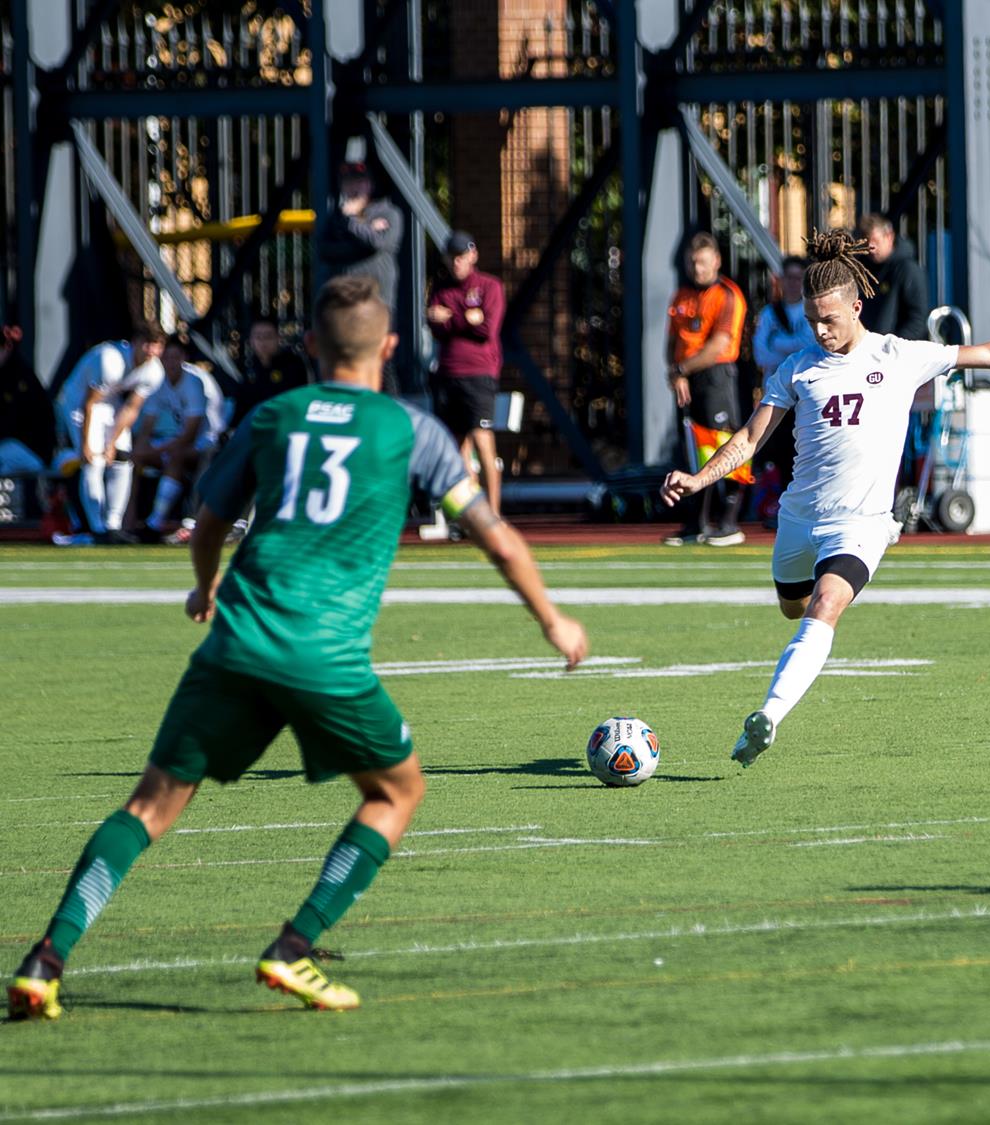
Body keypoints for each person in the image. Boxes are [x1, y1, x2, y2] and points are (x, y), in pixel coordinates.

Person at [6, 276, 589, 1021]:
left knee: (149, 806)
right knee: (398, 791)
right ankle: (294, 945)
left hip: (238, 640)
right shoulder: (411, 430)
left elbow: (211, 516)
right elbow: (496, 536)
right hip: (324, 656)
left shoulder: (272, 416)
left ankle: (44, 959)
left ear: (311, 346)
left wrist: (204, 586)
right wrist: (552, 620)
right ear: (388, 346)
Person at [660, 230, 990, 768]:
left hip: (861, 525)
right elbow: (750, 440)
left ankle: (768, 716)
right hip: (798, 521)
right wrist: (700, 479)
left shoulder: (899, 356)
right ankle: (787, 657)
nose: (820, 331)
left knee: (825, 605)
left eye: (830, 319)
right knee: (792, 606)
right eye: (812, 320)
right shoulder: (796, 369)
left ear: (857, 306)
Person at [663, 232, 750, 547]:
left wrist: (683, 369)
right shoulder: (682, 295)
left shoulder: (727, 295)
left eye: (702, 262)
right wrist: (676, 374)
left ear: (716, 261)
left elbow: (720, 345)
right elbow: (673, 342)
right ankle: (695, 523)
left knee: (723, 443)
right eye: (692, 262)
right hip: (688, 380)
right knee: (692, 449)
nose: (696, 268)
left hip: (716, 377)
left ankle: (729, 522)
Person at [51, 327, 167, 544]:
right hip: (79, 403)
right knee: (93, 463)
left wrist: (112, 442)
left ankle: (113, 525)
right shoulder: (109, 360)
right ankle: (98, 528)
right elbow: (89, 404)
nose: (152, 350)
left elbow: (131, 408)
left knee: (123, 460)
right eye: (147, 344)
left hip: (110, 404)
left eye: (157, 345)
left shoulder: (154, 371)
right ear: (135, 342)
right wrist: (86, 445)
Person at [428, 231, 508, 514]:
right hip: (448, 374)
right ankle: (469, 516)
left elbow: (486, 329)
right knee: (456, 450)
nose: (456, 264)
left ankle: (494, 515)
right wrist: (467, 318)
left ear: (472, 256)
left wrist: (453, 317)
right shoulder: (441, 288)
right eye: (451, 258)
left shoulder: (490, 286)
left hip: (479, 375)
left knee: (484, 443)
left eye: (460, 257)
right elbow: (436, 326)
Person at [129, 336, 227, 543]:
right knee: (133, 459)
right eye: (166, 357)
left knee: (175, 457)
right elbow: (147, 425)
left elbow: (191, 435)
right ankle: (126, 523)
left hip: (207, 443)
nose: (170, 362)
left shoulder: (194, 382)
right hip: (175, 442)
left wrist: (153, 452)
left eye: (175, 357)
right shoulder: (159, 383)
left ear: (183, 358)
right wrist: (140, 450)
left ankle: (155, 523)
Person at [318, 163, 404, 316]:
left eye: (359, 181)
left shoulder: (389, 213)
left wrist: (352, 222)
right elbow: (324, 250)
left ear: (370, 184)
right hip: (343, 301)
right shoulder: (337, 218)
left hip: (376, 301)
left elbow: (377, 243)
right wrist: (366, 232)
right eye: (347, 182)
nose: (353, 187)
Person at [857, 213, 931, 342]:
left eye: (876, 241)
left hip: (897, 352)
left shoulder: (907, 269)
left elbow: (918, 319)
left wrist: (893, 346)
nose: (871, 248)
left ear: (889, 237)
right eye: (867, 242)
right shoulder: (861, 268)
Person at [232, 313, 310, 431]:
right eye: (258, 337)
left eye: (268, 336)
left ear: (279, 338)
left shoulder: (293, 364)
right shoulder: (247, 367)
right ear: (251, 340)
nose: (263, 342)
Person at [0, 325, 56, 469]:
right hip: (13, 446)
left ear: (7, 346)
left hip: (32, 450)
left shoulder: (19, 376)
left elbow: (11, 422)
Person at [753, 256, 814, 376]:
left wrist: (775, 341)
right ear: (781, 279)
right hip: (775, 382)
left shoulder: (812, 311)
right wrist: (794, 350)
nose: (793, 283)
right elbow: (761, 355)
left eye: (798, 278)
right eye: (789, 277)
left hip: (804, 382)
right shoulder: (768, 313)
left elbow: (810, 347)